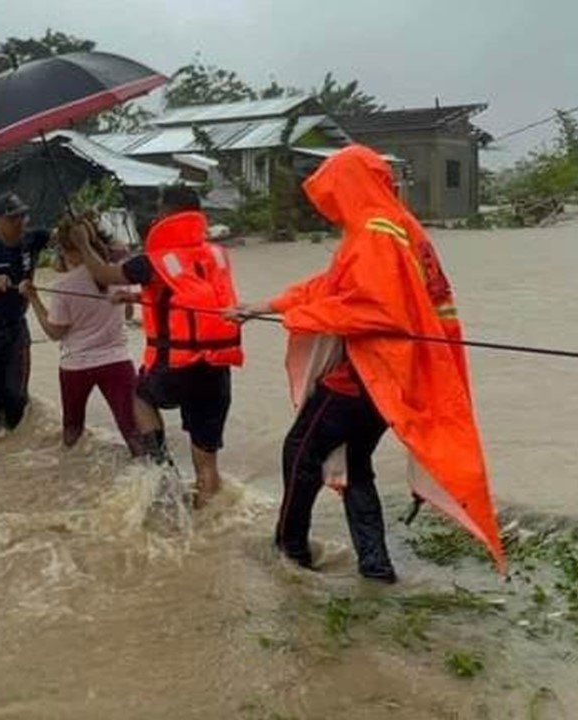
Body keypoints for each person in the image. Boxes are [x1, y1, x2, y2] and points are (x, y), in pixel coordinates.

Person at [230, 145, 504, 582]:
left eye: (332, 193)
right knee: (356, 465)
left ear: (349, 187)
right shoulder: (400, 227)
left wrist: (297, 316)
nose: (328, 206)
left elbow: (377, 310)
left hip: (362, 376)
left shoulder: (375, 234)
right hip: (395, 381)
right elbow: (330, 285)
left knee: (299, 453)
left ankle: (290, 551)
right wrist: (266, 305)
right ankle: (375, 567)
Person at [79, 186, 243, 505]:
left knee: (141, 396)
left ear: (167, 214)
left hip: (175, 366)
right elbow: (186, 294)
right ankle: (208, 522)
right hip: (217, 364)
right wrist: (138, 297)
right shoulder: (216, 254)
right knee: (207, 465)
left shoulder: (152, 261)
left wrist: (84, 243)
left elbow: (102, 272)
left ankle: (161, 467)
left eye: (159, 209)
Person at [21, 217, 141, 456]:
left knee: (72, 429)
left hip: (76, 365)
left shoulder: (63, 285)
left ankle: (70, 475)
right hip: (117, 360)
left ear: (68, 251)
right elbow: (127, 312)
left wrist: (33, 298)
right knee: (133, 430)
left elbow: (55, 332)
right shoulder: (116, 274)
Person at [0, 192, 51, 433]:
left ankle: (16, 447)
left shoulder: (34, 239)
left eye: (23, 215)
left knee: (16, 396)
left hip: (15, 327)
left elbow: (66, 240)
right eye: (13, 217)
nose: (20, 222)